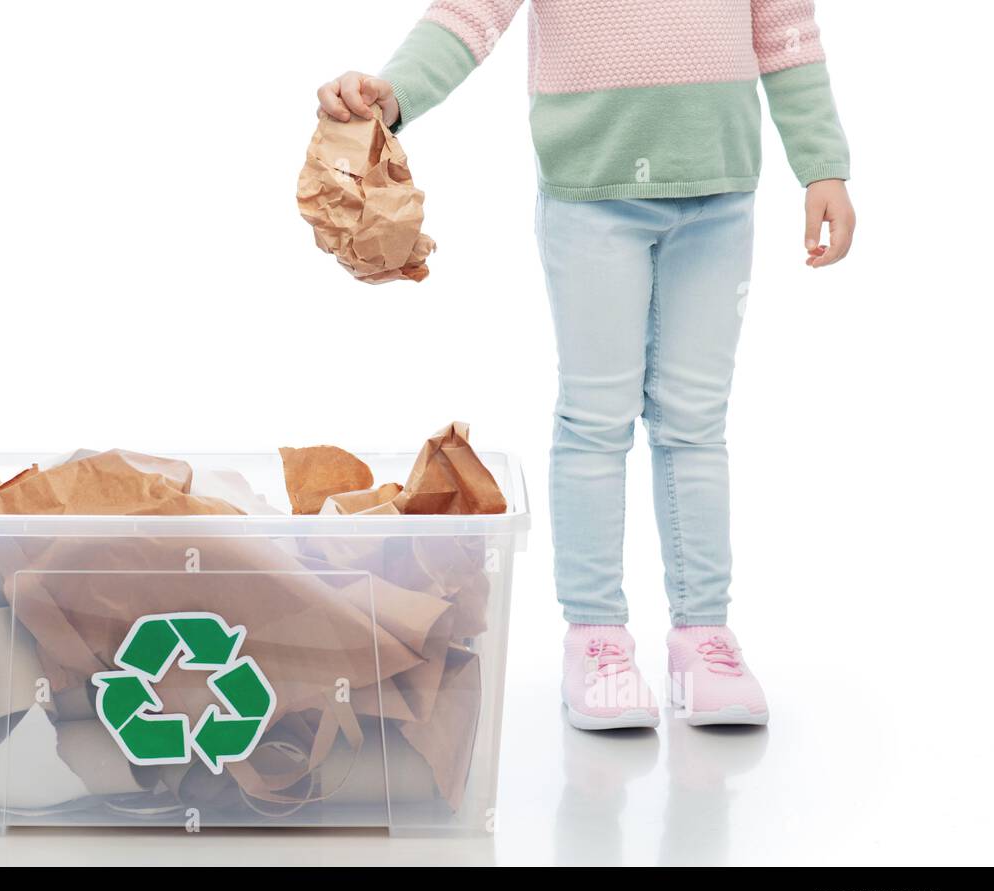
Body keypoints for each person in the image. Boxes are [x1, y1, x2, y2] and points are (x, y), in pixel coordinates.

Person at [317, 1, 854, 729]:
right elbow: (471, 16)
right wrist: (395, 91)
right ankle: (596, 637)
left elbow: (786, 31)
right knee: (596, 419)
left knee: (696, 422)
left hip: (721, 193)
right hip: (592, 198)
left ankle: (703, 636)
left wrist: (822, 165)